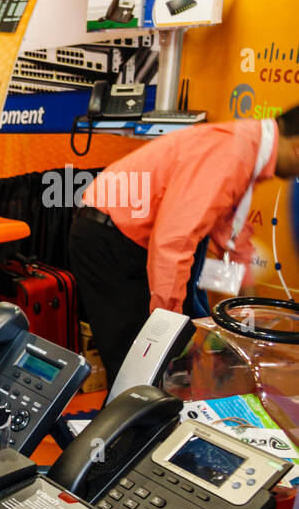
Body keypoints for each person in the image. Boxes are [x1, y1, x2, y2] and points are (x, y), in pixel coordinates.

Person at [69, 107, 299, 382]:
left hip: (123, 237)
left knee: (160, 365)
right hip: (109, 240)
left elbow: (231, 231)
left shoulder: (247, 147)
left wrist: (246, 315)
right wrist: (166, 326)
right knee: (141, 368)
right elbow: (173, 243)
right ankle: (137, 423)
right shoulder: (231, 154)